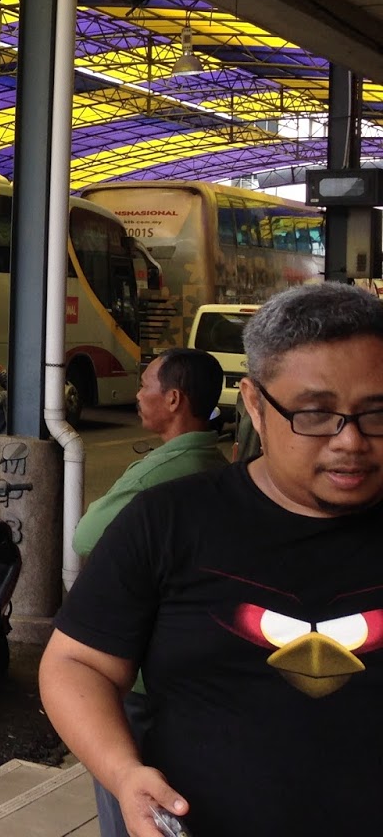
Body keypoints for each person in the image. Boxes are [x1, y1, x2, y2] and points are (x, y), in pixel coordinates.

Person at [40, 283, 383, 837]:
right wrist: (123, 773)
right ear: (253, 403)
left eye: (376, 413)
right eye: (315, 414)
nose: (350, 441)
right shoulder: (168, 520)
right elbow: (77, 663)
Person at [69, 348, 227, 837]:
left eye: (145, 386)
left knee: (130, 803)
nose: (137, 396)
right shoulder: (215, 463)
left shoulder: (164, 473)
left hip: (140, 676)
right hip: (185, 669)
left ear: (174, 399)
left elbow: (87, 535)